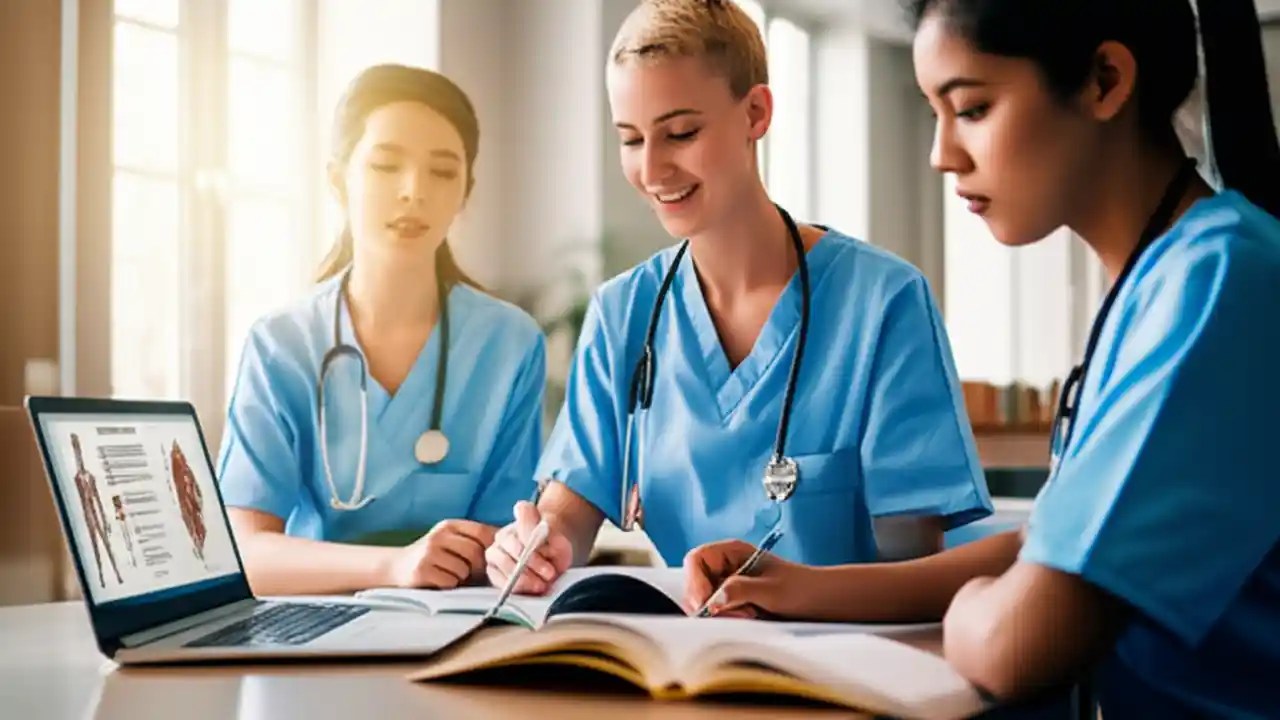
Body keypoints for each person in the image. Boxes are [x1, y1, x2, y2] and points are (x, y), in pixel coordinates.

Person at [689, 0, 1280, 714]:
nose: (941, 154)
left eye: (970, 109)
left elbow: (1015, 644)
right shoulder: (1162, 281)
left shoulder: (1218, 282)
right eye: (935, 114)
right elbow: (1052, 545)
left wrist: (978, 604)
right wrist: (804, 588)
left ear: (1104, 81)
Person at [486, 0, 992, 597]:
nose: (652, 169)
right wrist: (538, 544)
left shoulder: (884, 302)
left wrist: (789, 596)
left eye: (681, 133)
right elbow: (569, 511)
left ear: (755, 113)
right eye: (631, 139)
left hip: (846, 647)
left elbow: (914, 569)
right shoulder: (623, 315)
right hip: (687, 643)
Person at [217, 64, 547, 596]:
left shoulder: (510, 344)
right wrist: (392, 567)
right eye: (386, 165)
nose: (414, 191)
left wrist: (497, 552)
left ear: (465, 191)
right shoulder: (281, 345)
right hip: (316, 619)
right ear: (337, 180)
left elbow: (508, 541)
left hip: (463, 619)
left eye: (442, 172)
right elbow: (244, 552)